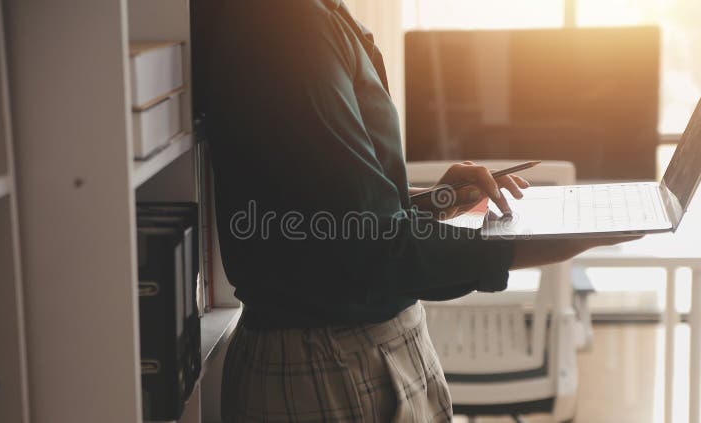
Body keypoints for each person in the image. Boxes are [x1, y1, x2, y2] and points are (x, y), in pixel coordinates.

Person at [194, 1, 638, 421]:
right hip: (331, 367)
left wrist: (437, 200)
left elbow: (324, 211)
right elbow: (370, 246)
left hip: (347, 358)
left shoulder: (308, 19)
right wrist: (563, 237)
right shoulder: (286, 27)